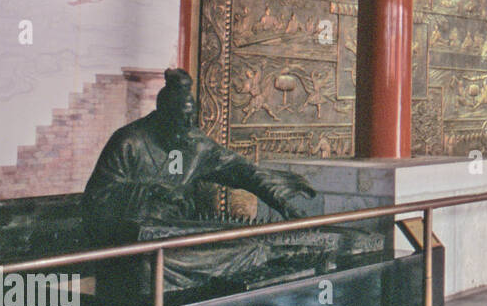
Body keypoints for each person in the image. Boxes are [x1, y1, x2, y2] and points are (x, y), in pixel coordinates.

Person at [82, 68, 316, 241]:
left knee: (248, 247)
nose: (187, 125)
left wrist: (281, 202)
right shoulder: (129, 142)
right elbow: (97, 199)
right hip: (131, 240)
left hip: (180, 231)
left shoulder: (194, 144)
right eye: (180, 118)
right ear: (162, 114)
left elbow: (242, 171)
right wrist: (151, 192)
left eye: (190, 118)